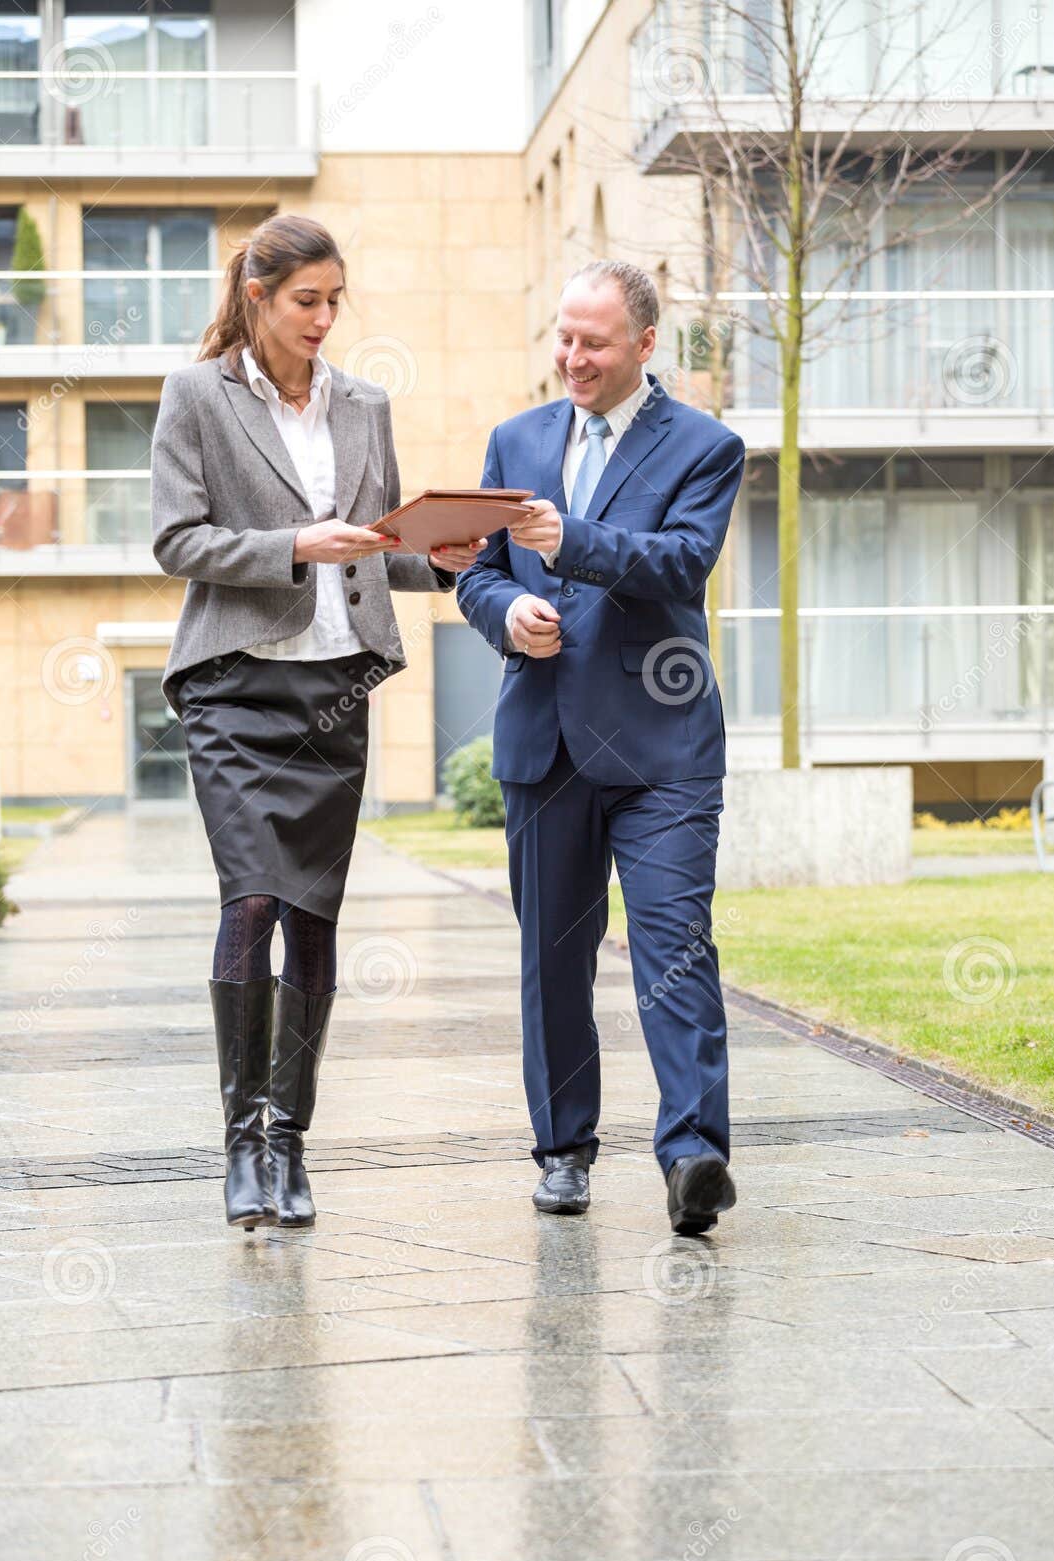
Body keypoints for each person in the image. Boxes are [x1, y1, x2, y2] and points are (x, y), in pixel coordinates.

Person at [151, 213, 481, 1232]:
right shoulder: (197, 396)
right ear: (257, 295)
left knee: (314, 918)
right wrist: (294, 543)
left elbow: (376, 545)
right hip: (235, 688)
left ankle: (291, 1139)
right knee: (251, 900)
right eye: (307, 302)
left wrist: (447, 556)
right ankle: (243, 1142)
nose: (325, 320)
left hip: (333, 693)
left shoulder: (362, 404)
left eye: (336, 301)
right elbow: (178, 538)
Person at [457, 260, 746, 1235]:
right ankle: (563, 1152)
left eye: (594, 343)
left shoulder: (706, 446)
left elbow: (679, 562)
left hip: (662, 747)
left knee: (673, 946)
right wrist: (509, 612)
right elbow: (476, 574)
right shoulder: (516, 438)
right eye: (564, 338)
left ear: (644, 346)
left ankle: (693, 1154)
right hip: (544, 742)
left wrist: (569, 540)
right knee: (554, 957)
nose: (572, 358)